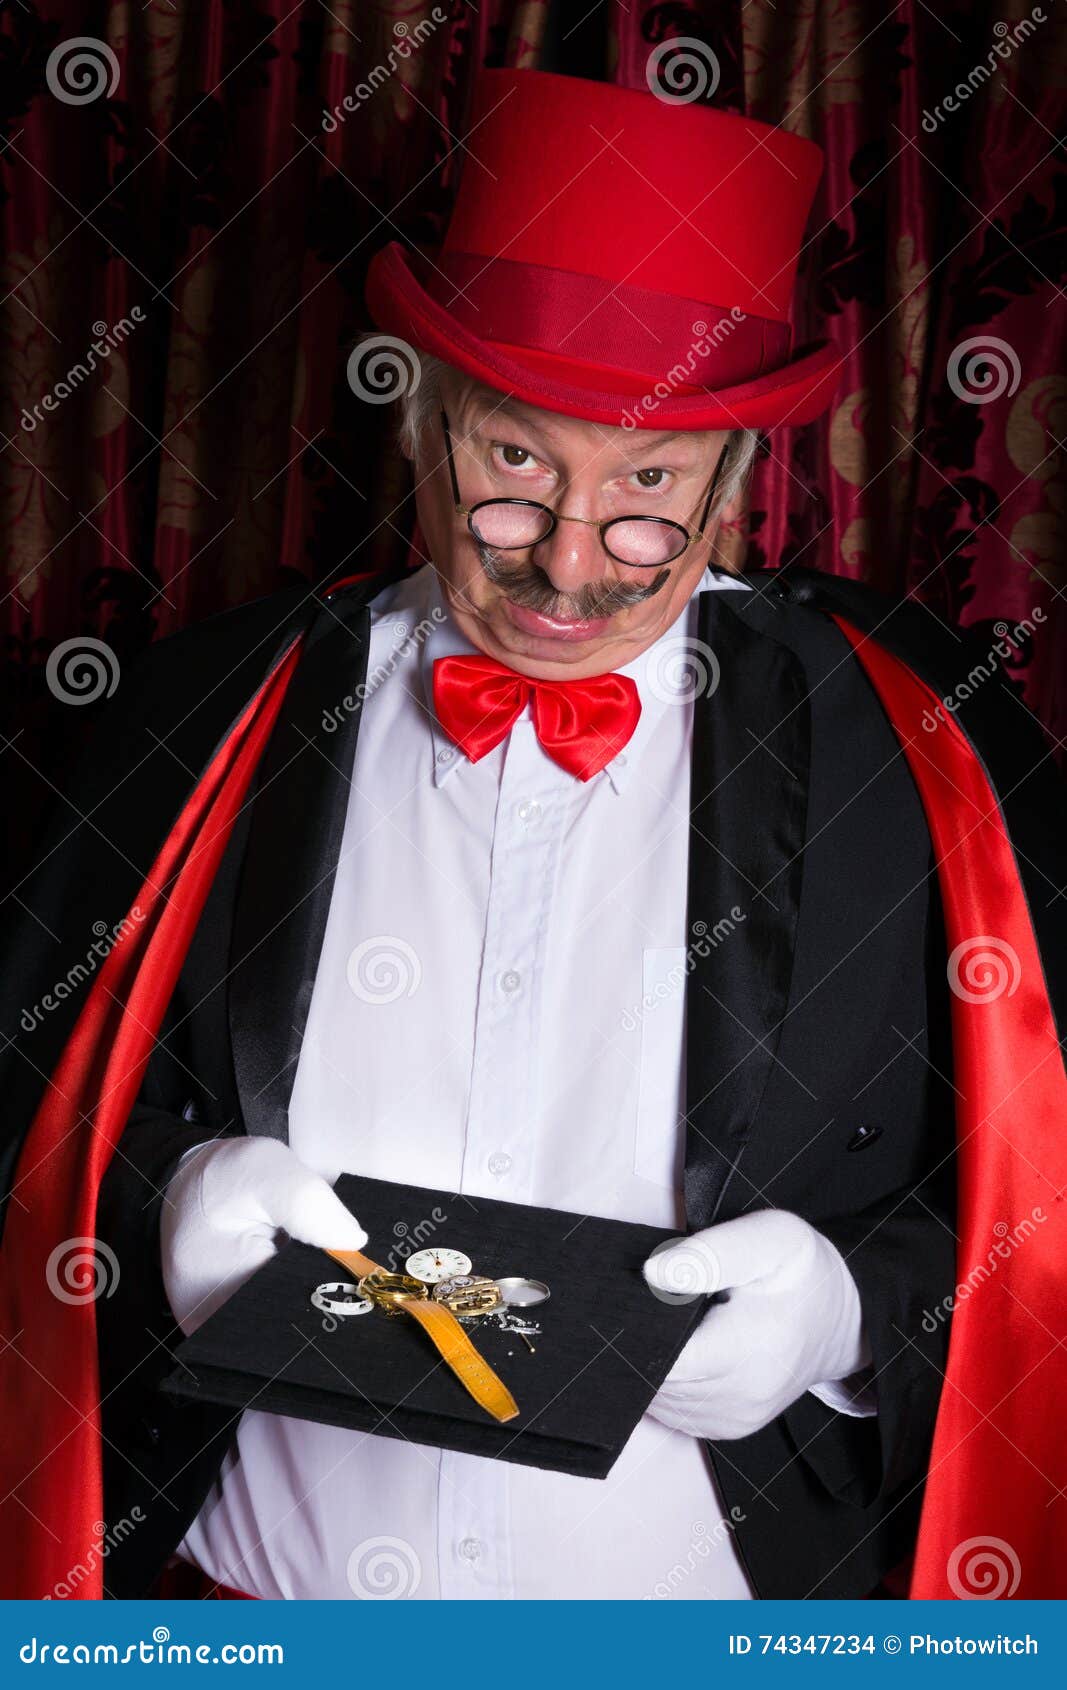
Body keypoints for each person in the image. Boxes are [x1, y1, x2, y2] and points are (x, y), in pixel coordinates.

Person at [1, 67, 1064, 1604]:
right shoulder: (199, 710)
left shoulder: (925, 752)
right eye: (513, 463)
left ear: (743, 480)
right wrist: (161, 1200)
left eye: (647, 486)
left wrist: (844, 1316)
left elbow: (1030, 1185)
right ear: (419, 410)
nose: (572, 562)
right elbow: (35, 1103)